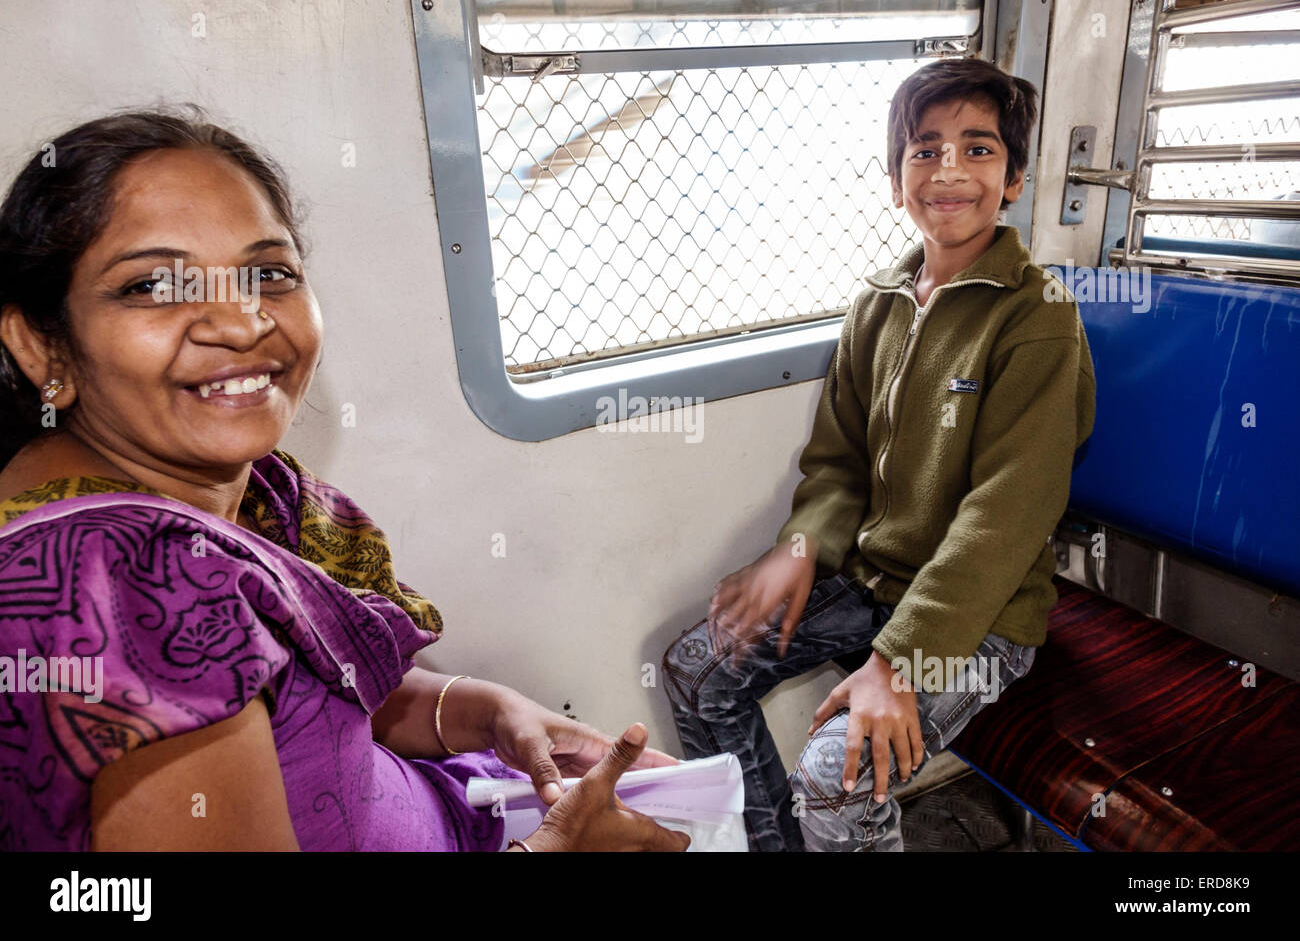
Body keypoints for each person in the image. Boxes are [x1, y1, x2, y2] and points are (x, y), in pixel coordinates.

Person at [0, 109, 690, 852]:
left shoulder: (254, 496)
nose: (240, 323)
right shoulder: (128, 582)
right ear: (41, 347)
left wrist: (482, 710)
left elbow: (322, 694)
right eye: (152, 286)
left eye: (268, 273)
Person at [663, 57, 1096, 851]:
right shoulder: (876, 304)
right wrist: (801, 548)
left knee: (835, 777)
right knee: (697, 671)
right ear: (895, 180)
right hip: (871, 582)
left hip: (981, 614)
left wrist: (899, 663)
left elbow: (1007, 514)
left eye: (978, 149)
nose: (949, 171)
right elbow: (839, 463)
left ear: (1016, 179)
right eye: (924, 150)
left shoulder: (1039, 319)